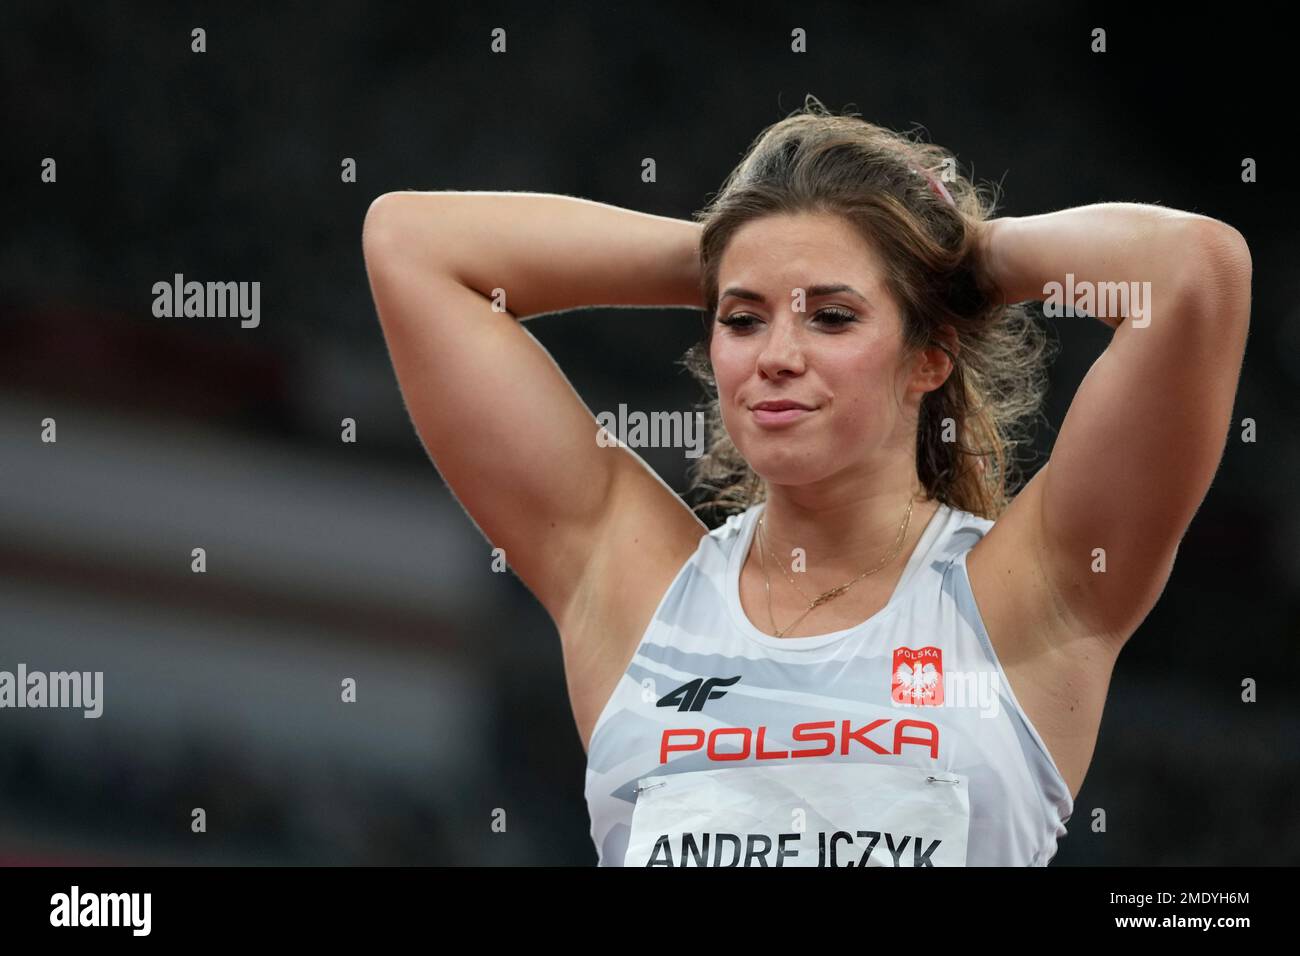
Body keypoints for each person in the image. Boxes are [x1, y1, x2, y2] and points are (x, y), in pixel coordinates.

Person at [360, 97, 1252, 866]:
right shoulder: (633, 589)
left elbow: (1191, 275)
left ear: (928, 356)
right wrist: (738, 253)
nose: (777, 356)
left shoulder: (1032, 597)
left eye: (832, 316)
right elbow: (411, 244)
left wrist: (949, 258)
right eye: (742, 319)